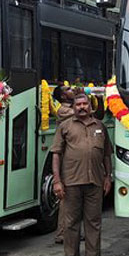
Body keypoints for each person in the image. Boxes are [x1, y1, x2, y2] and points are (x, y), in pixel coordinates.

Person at [51, 91, 112, 256]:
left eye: (85, 104)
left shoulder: (99, 126)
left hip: (95, 182)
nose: (82, 107)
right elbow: (56, 154)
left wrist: (108, 177)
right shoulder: (65, 127)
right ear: (74, 108)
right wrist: (57, 181)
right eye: (78, 105)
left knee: (93, 221)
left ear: (90, 106)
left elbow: (107, 155)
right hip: (71, 182)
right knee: (71, 222)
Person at [51, 86, 76, 244]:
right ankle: (61, 233)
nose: (72, 89)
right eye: (68, 89)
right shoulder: (63, 110)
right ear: (63, 96)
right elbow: (82, 112)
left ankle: (72, 231)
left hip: (74, 159)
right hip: (67, 158)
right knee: (66, 199)